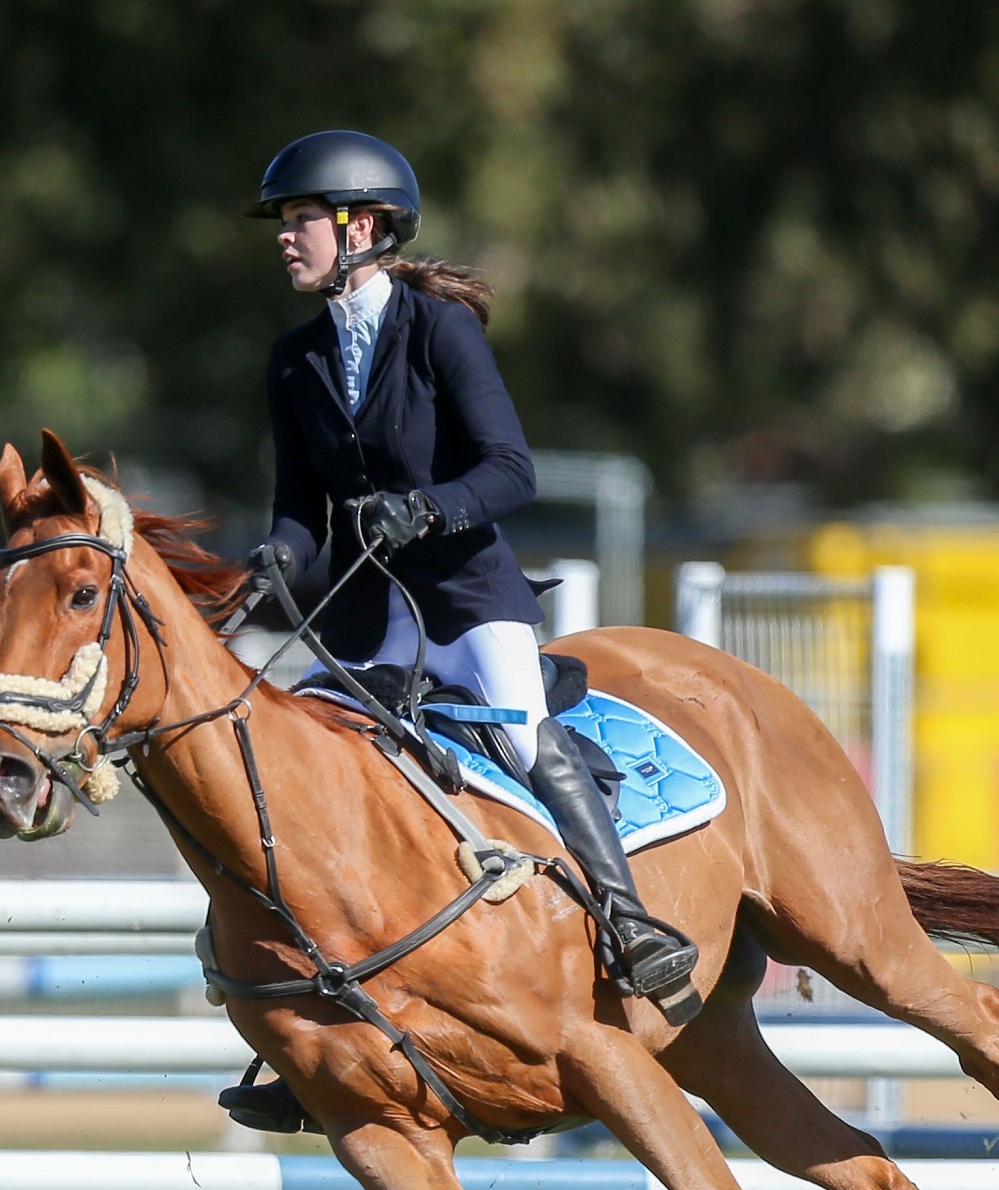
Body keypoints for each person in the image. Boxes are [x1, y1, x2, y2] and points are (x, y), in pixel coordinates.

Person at [246, 130, 697, 1015]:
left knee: (528, 737)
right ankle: (313, 987)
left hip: (465, 603)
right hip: (369, 619)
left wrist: (426, 506)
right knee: (298, 760)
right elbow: (301, 508)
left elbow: (510, 469)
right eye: (286, 221)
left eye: (302, 218)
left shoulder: (438, 329)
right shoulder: (293, 361)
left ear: (363, 225)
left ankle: (629, 920)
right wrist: (274, 562)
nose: (285, 236)